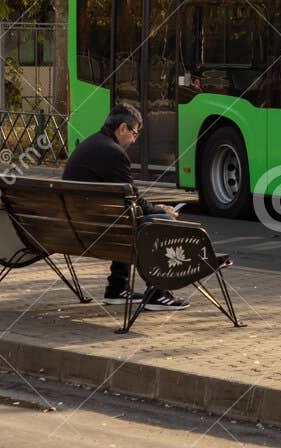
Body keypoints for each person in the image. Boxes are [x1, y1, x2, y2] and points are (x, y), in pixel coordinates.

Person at [61, 102, 189, 310]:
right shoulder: (114, 153)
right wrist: (161, 210)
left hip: (77, 229)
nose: (134, 139)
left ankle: (118, 288)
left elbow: (128, 199)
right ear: (123, 128)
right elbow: (132, 199)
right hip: (99, 231)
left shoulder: (89, 145)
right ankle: (157, 293)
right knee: (158, 223)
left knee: (127, 220)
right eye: (134, 133)